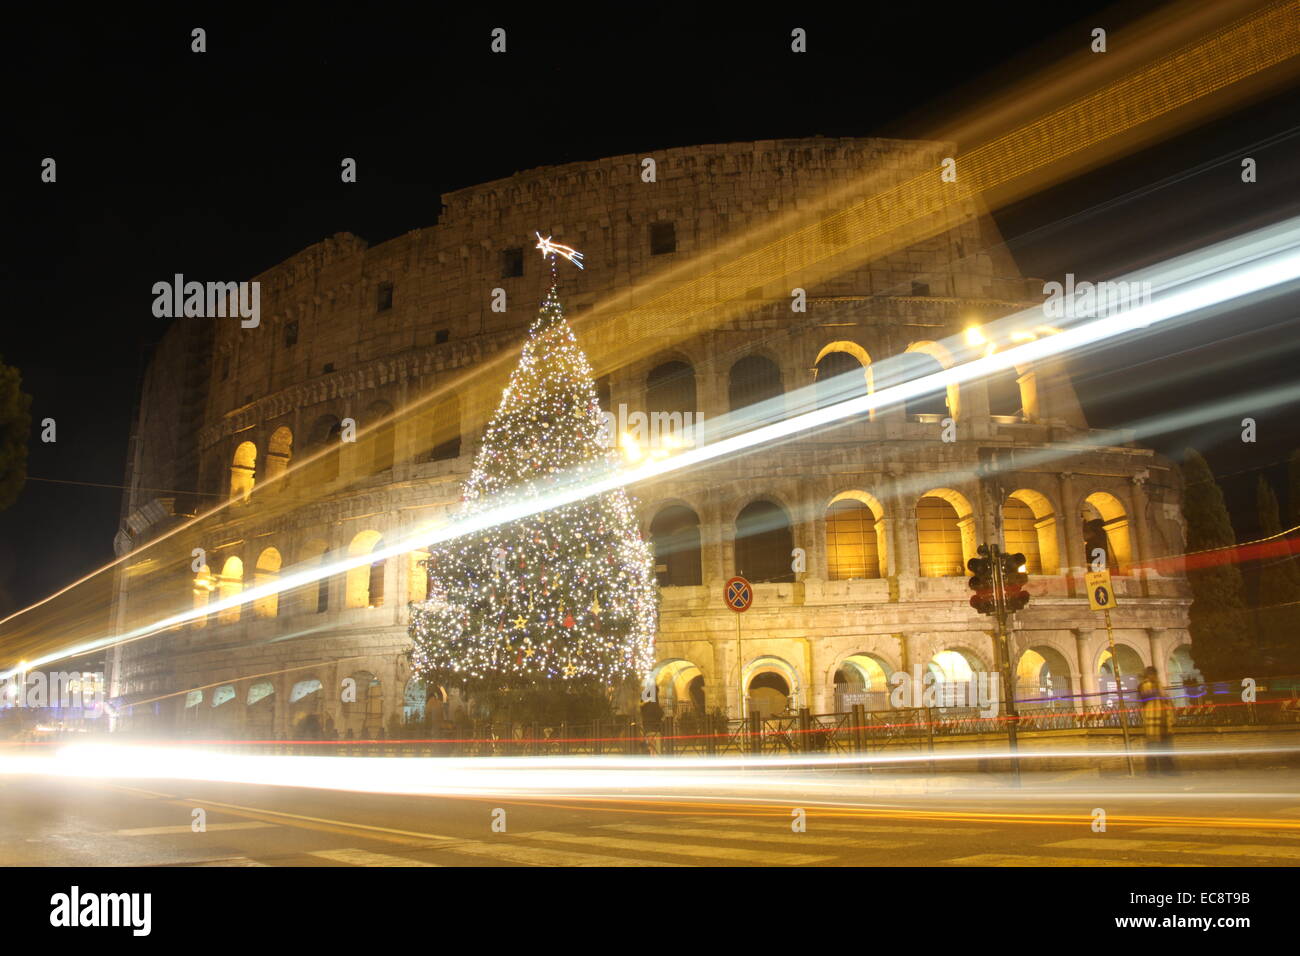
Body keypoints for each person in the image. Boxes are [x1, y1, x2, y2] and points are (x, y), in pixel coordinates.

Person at [1137, 666, 1176, 775]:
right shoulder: (1146, 685)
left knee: (1165, 748)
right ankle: (1153, 771)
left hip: (1163, 723)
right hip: (1153, 723)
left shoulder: (1157, 685)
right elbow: (1144, 695)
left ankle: (1167, 770)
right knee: (1153, 748)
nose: (1154, 676)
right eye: (1152, 674)